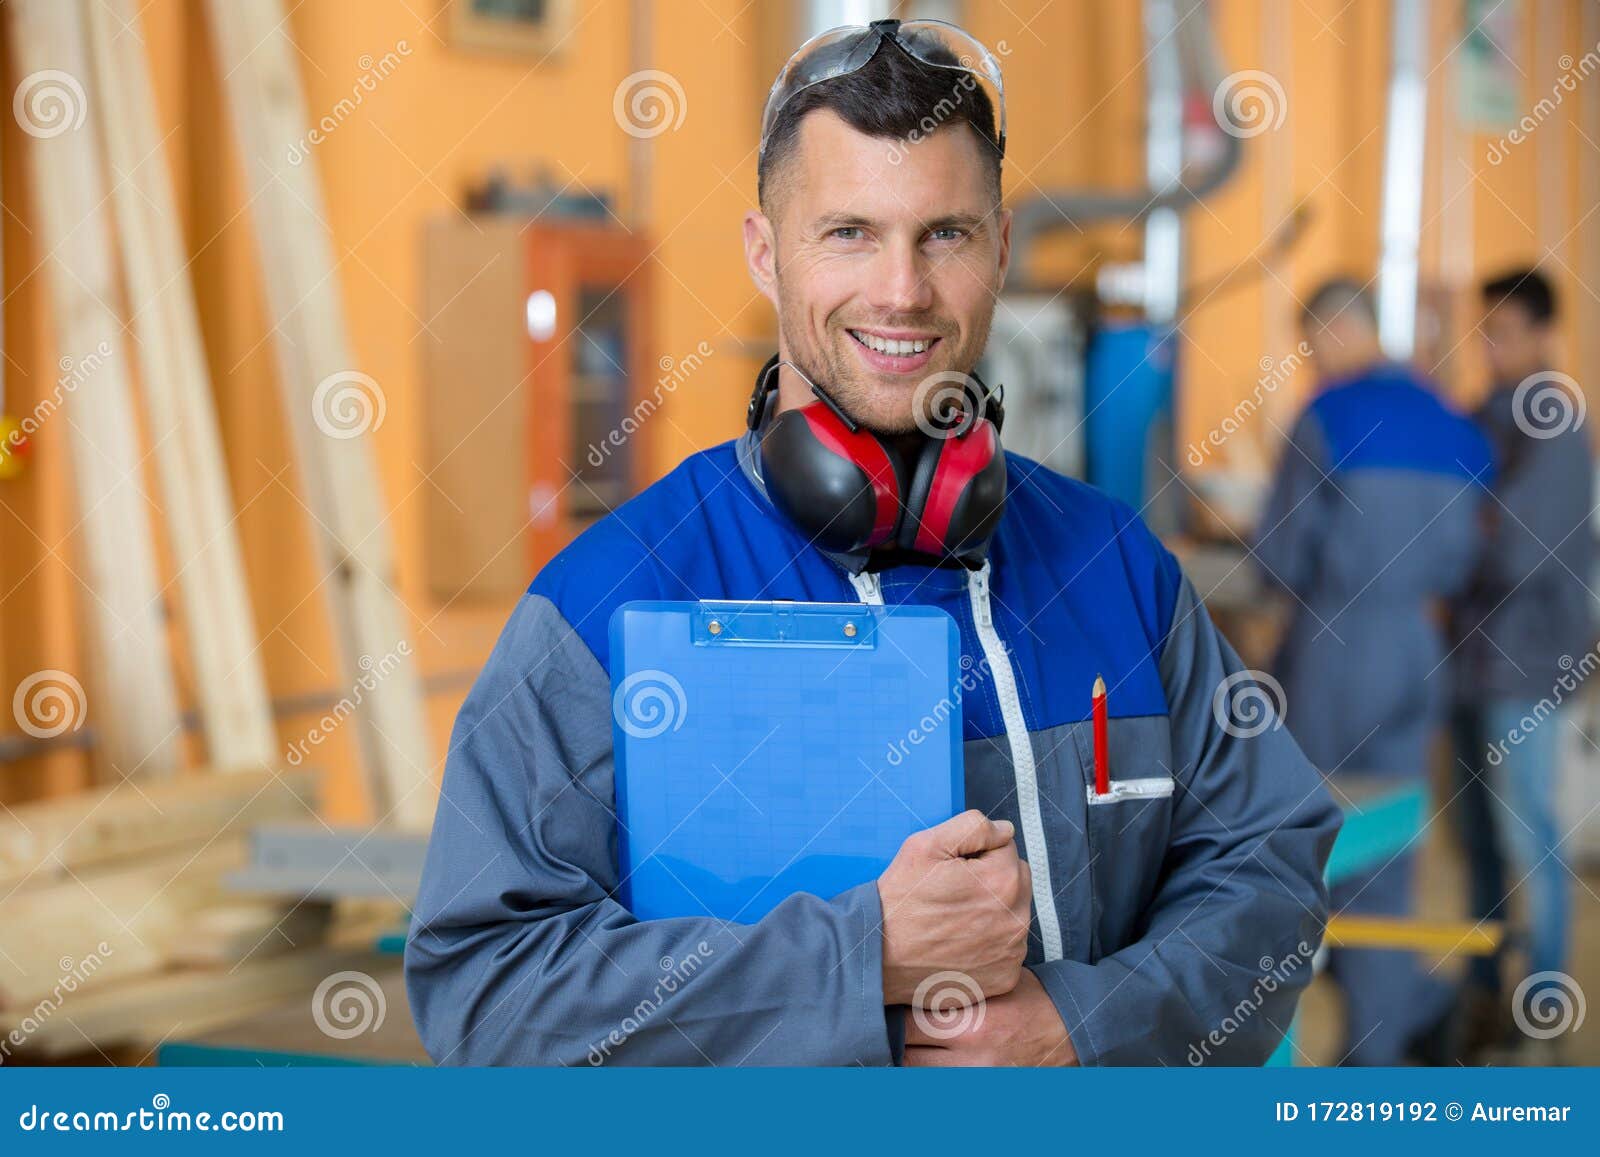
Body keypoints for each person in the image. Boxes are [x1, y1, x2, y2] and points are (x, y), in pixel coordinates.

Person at [406, 18, 1339, 1067]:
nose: (902, 289)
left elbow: (1268, 864)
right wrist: (863, 955)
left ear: (999, 247)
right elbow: (488, 994)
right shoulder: (607, 599)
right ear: (766, 253)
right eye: (848, 231)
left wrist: (1078, 1028)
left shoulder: (1115, 565)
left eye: (944, 234)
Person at [1253, 279, 1494, 1065]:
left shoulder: (1329, 415)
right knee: (1390, 857)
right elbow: (1472, 555)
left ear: (1333, 329)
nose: (1310, 361)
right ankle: (1379, 1056)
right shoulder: (1454, 422)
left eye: (1309, 344)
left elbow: (1279, 555)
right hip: (1422, 643)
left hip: (1337, 643)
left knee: (1307, 847)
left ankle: (1284, 1060)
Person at [1449, 268, 1594, 1061]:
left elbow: (1516, 550)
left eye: (1501, 331)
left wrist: (1448, 540)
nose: (1489, 346)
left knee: (1529, 841)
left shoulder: (1555, 425)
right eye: (1483, 331)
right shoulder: (1482, 414)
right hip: (1470, 664)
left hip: (1529, 666)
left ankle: (1541, 1006)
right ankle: (1481, 997)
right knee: (1476, 845)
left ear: (1542, 332)